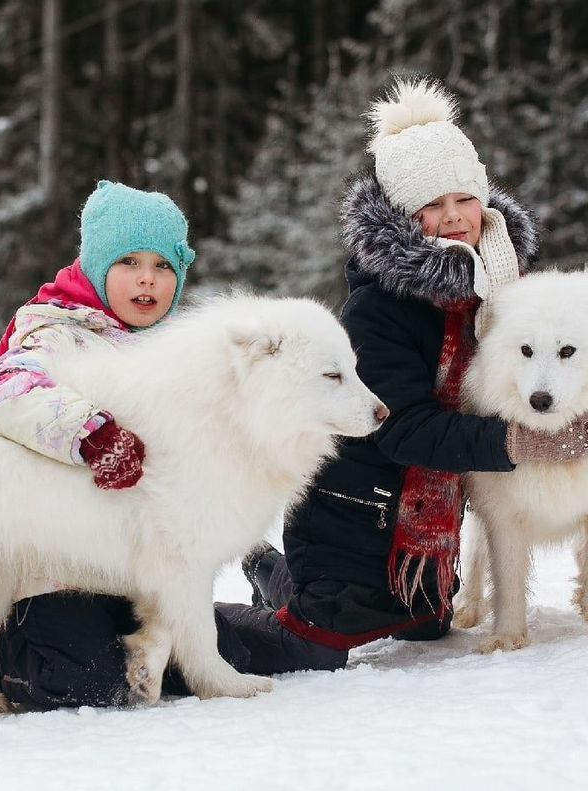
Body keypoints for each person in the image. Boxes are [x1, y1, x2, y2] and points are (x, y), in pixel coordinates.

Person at [241, 76, 588, 654]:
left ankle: (274, 576)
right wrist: (523, 443)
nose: (455, 217)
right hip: (355, 520)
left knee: (425, 625)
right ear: (404, 216)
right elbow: (404, 428)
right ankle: (215, 611)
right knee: (312, 644)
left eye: (463, 198)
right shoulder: (377, 308)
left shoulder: (501, 283)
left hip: (423, 535)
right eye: (432, 205)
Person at [0, 179, 345, 709]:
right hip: (55, 575)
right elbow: (2, 392)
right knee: (85, 686)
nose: (147, 279)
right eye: (128, 262)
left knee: (272, 657)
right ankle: (7, 655)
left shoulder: (174, 350)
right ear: (96, 266)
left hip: (144, 576)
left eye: (164, 266)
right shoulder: (53, 328)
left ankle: (254, 596)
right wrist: (92, 435)